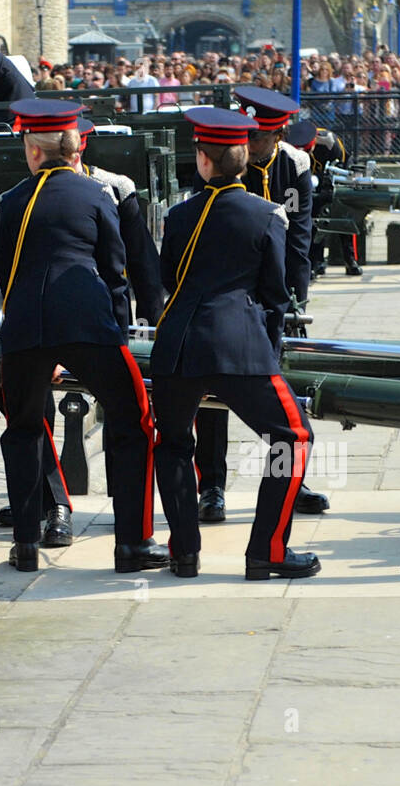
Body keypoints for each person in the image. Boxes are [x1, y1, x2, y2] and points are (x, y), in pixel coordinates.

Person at [0, 99, 166, 573]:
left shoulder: (11, 200)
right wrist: (117, 338)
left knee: (23, 430)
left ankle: (25, 544)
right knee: (133, 420)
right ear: (73, 149)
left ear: (33, 150)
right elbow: (115, 272)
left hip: (25, 329)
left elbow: (7, 273)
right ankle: (132, 543)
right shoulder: (96, 194)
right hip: (88, 322)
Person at [151, 108, 319, 581]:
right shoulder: (267, 215)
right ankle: (267, 549)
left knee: (174, 445)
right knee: (293, 436)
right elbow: (275, 293)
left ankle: (184, 553)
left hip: (177, 346)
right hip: (238, 344)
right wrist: (270, 350)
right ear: (244, 158)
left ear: (203, 160)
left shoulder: (178, 215)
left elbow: (169, 280)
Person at [193, 85, 324, 523]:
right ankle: (211, 487)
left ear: (277, 135)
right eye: (246, 135)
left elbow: (300, 237)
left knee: (281, 397)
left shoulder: (295, 164)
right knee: (213, 394)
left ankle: (290, 481)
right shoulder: (223, 158)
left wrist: (294, 300)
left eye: (258, 137)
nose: (248, 144)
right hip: (230, 289)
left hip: (275, 290)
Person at [288, 118, 364, 279]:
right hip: (309, 184)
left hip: (336, 178)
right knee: (314, 220)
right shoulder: (290, 145)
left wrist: (323, 183)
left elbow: (341, 168)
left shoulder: (329, 142)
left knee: (343, 216)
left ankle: (350, 259)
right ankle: (316, 262)